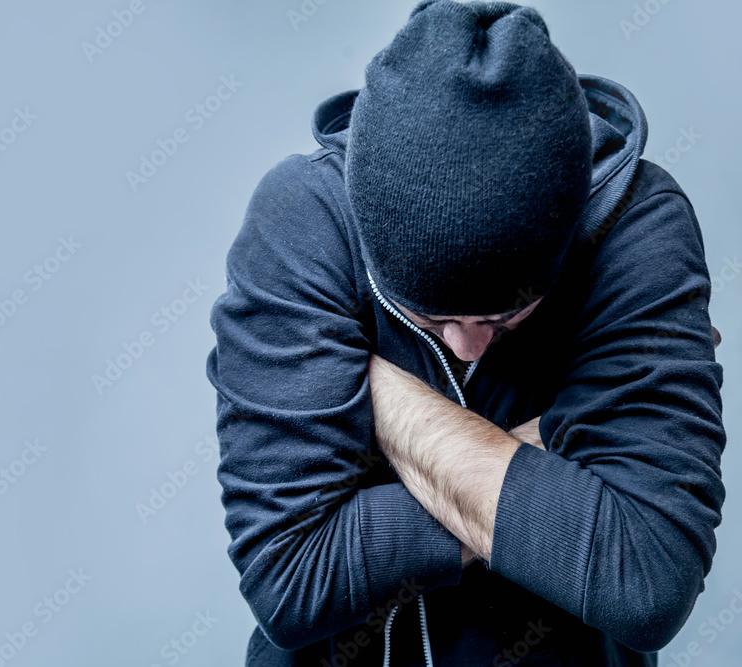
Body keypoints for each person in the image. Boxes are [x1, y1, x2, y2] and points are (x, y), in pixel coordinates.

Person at [204, 1, 727, 665]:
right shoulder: (298, 221)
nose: (465, 345)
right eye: (431, 317)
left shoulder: (638, 229)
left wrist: (378, 398)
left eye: (504, 316)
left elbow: (645, 576)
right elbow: (291, 577)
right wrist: (563, 479)